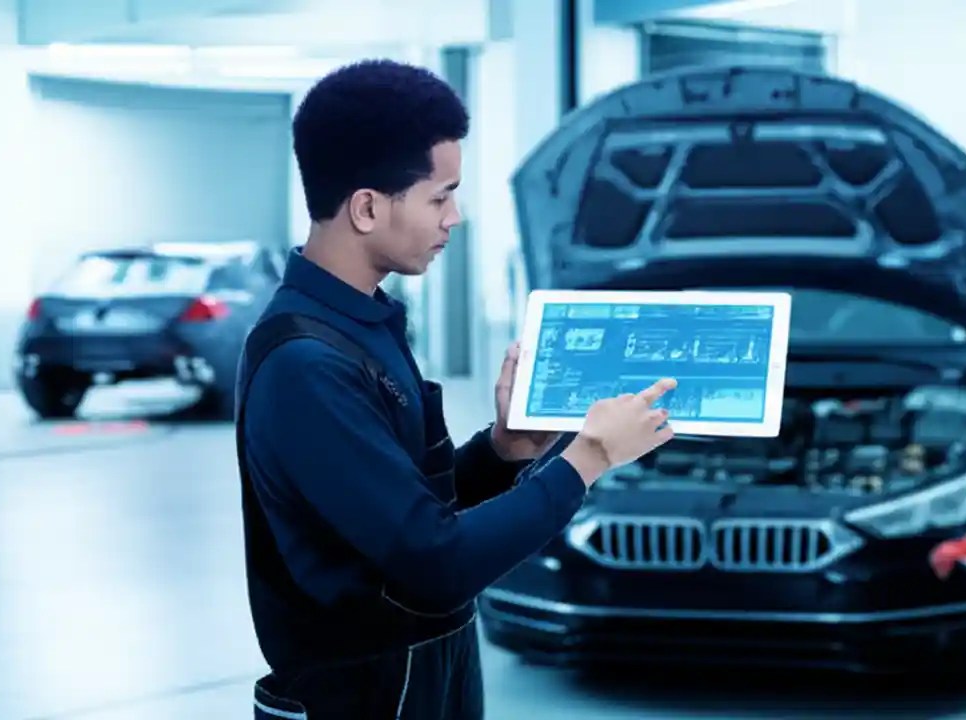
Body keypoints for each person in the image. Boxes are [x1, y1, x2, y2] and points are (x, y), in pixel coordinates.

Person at [234, 58, 677, 720]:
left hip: (421, 680)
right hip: (360, 701)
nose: (456, 216)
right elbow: (434, 564)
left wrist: (503, 450)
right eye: (440, 195)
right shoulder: (306, 366)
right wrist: (588, 458)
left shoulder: (364, 324)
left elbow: (402, 512)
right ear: (366, 207)